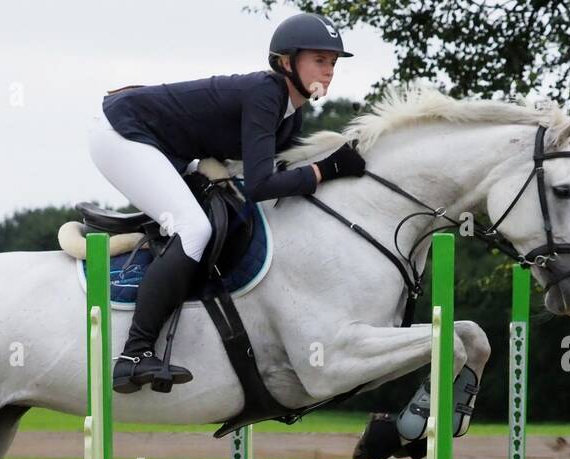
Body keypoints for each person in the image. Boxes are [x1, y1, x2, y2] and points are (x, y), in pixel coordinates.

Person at [88, 12, 366, 394]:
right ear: (286, 62)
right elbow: (261, 185)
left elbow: (272, 176)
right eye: (319, 60)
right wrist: (326, 169)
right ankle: (133, 355)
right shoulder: (267, 94)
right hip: (122, 134)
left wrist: (330, 167)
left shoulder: (290, 115)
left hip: (164, 146)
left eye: (333, 62)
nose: (329, 70)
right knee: (193, 228)